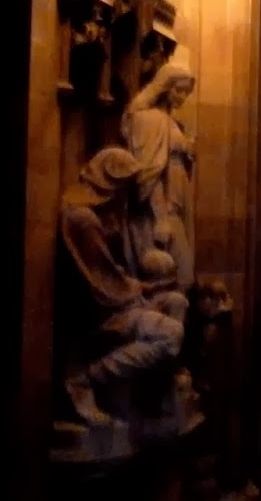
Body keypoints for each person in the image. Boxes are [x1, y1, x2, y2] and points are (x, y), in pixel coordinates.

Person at [58, 147, 186, 425]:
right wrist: (140, 289)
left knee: (176, 302)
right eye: (124, 186)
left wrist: (143, 287)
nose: (126, 196)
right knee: (171, 334)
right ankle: (86, 379)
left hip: (115, 303)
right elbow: (102, 285)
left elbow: (110, 275)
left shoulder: (96, 215)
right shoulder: (85, 219)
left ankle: (151, 392)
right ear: (111, 184)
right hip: (102, 315)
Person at [122, 48, 197, 290]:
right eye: (178, 90)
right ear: (165, 86)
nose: (182, 97)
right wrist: (161, 219)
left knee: (182, 277)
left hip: (178, 206)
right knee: (178, 275)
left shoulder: (171, 122)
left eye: (186, 92)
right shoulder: (151, 120)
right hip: (162, 211)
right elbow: (150, 175)